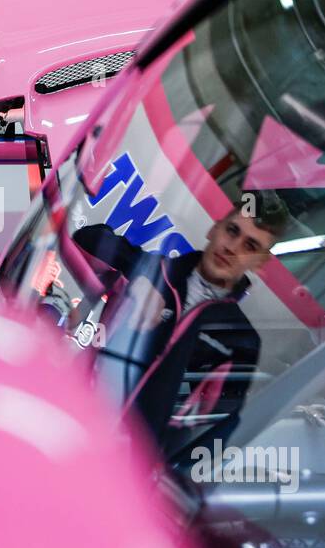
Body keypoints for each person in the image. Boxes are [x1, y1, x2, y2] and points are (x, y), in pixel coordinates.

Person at [73, 192, 290, 456]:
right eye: (232, 231)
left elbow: (207, 434)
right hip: (69, 419)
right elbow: (86, 240)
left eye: (250, 246)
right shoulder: (153, 267)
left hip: (123, 470)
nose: (232, 248)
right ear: (214, 229)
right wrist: (140, 277)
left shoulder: (240, 341)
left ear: (260, 263)